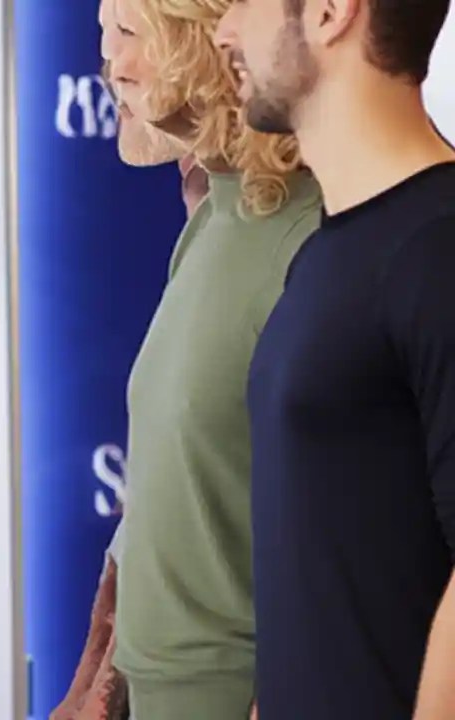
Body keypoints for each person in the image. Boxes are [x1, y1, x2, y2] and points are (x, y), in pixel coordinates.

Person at [52, 0, 322, 717]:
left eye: (130, 35)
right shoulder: (214, 215)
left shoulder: (321, 236)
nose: (110, 67)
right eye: (103, 37)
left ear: (211, 38)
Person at [215, 0, 455, 717]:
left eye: (243, 2)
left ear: (328, 12)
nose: (225, 29)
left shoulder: (439, 248)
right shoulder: (326, 255)